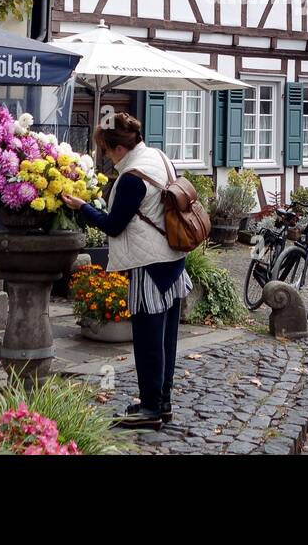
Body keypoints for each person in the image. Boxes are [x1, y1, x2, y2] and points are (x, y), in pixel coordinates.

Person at [63, 113, 191, 431]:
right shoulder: (157, 156)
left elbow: (113, 225)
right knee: (166, 340)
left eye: (105, 150)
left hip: (150, 267)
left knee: (148, 341)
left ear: (118, 148)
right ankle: (162, 403)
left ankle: (149, 410)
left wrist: (83, 207)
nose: (105, 156)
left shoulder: (132, 177)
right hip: (174, 261)